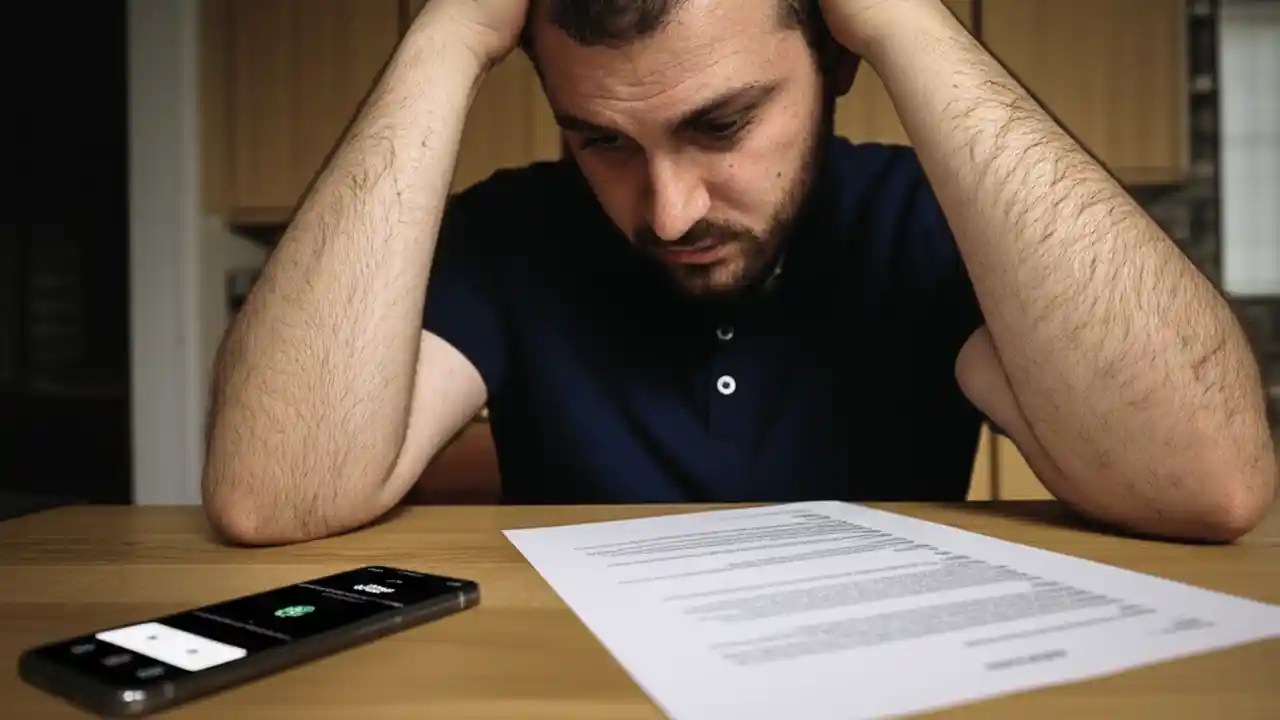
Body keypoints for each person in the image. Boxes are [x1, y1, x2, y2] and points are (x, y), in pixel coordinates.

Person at [201, 0, 1277, 546]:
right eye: (601, 141)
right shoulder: (512, 235)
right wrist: (445, 35)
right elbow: (271, 493)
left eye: (721, 125)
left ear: (836, 58)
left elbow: (1205, 486)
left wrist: (906, 20)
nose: (666, 213)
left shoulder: (922, 224)